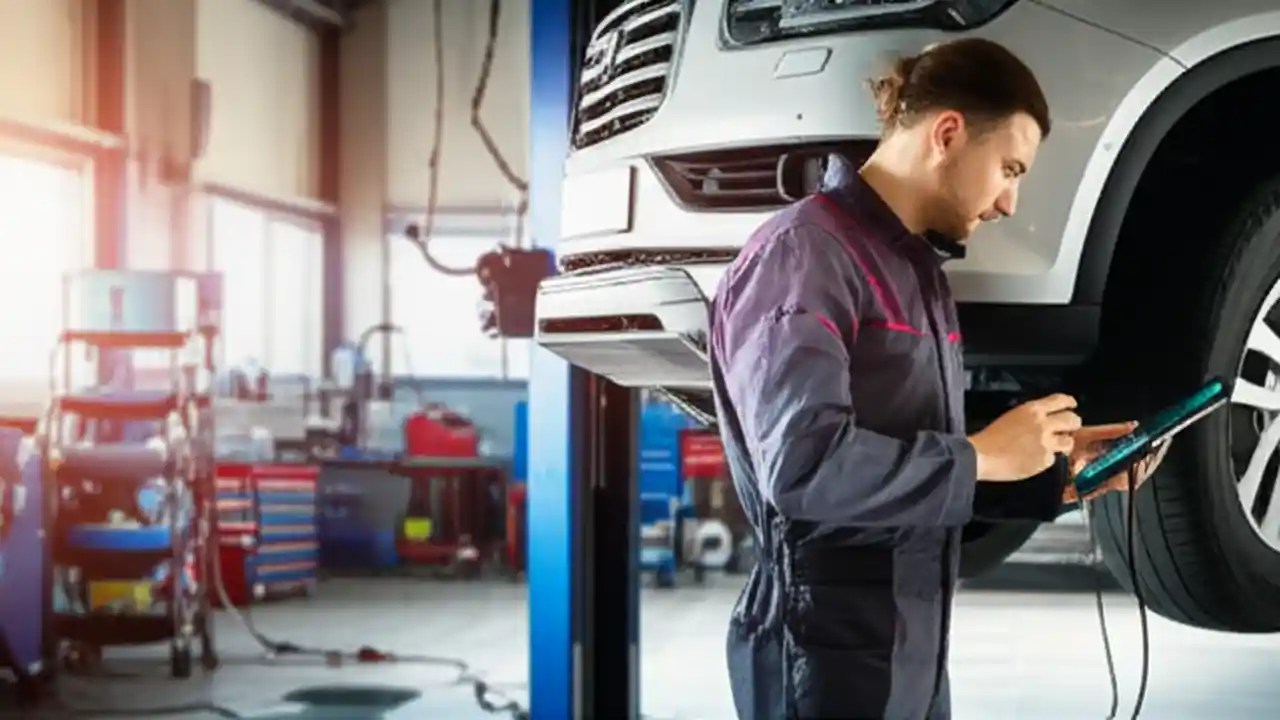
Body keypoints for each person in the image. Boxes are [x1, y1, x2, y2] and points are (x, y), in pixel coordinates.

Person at [709, 38, 1166, 720]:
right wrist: (984, 452)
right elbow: (805, 471)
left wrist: (1053, 475)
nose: (1010, 201)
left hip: (911, 650)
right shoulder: (805, 257)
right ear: (948, 133)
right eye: (1009, 168)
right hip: (821, 656)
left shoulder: (916, 275)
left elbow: (914, 482)